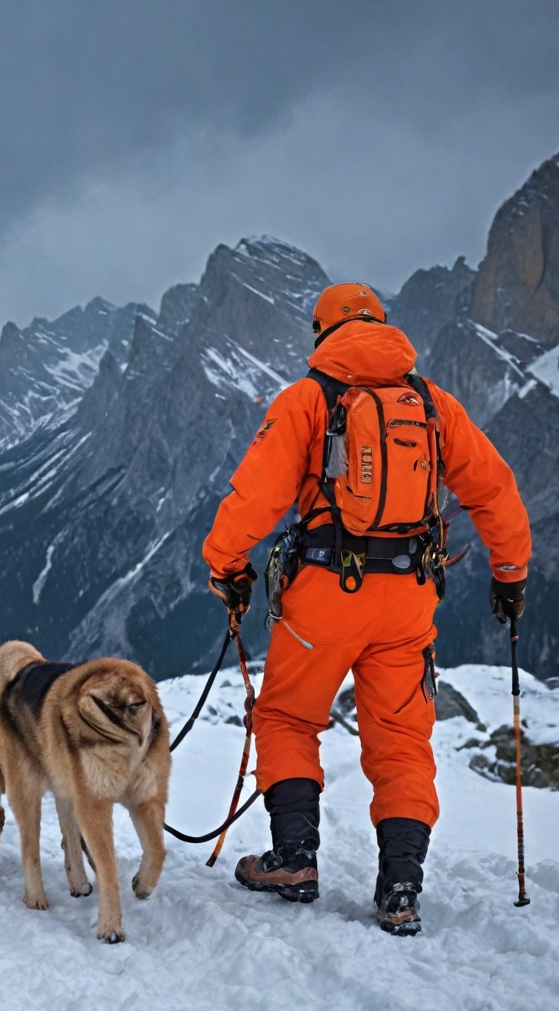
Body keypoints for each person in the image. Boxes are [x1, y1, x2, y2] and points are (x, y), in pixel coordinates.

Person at [202, 282, 530, 935]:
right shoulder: (432, 404)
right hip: (409, 599)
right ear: (382, 326)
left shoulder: (307, 400)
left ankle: (294, 857)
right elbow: (493, 488)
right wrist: (510, 573)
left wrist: (226, 566)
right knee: (402, 743)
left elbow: (254, 499)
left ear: (322, 334)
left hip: (323, 592)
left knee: (289, 717)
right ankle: (400, 888)